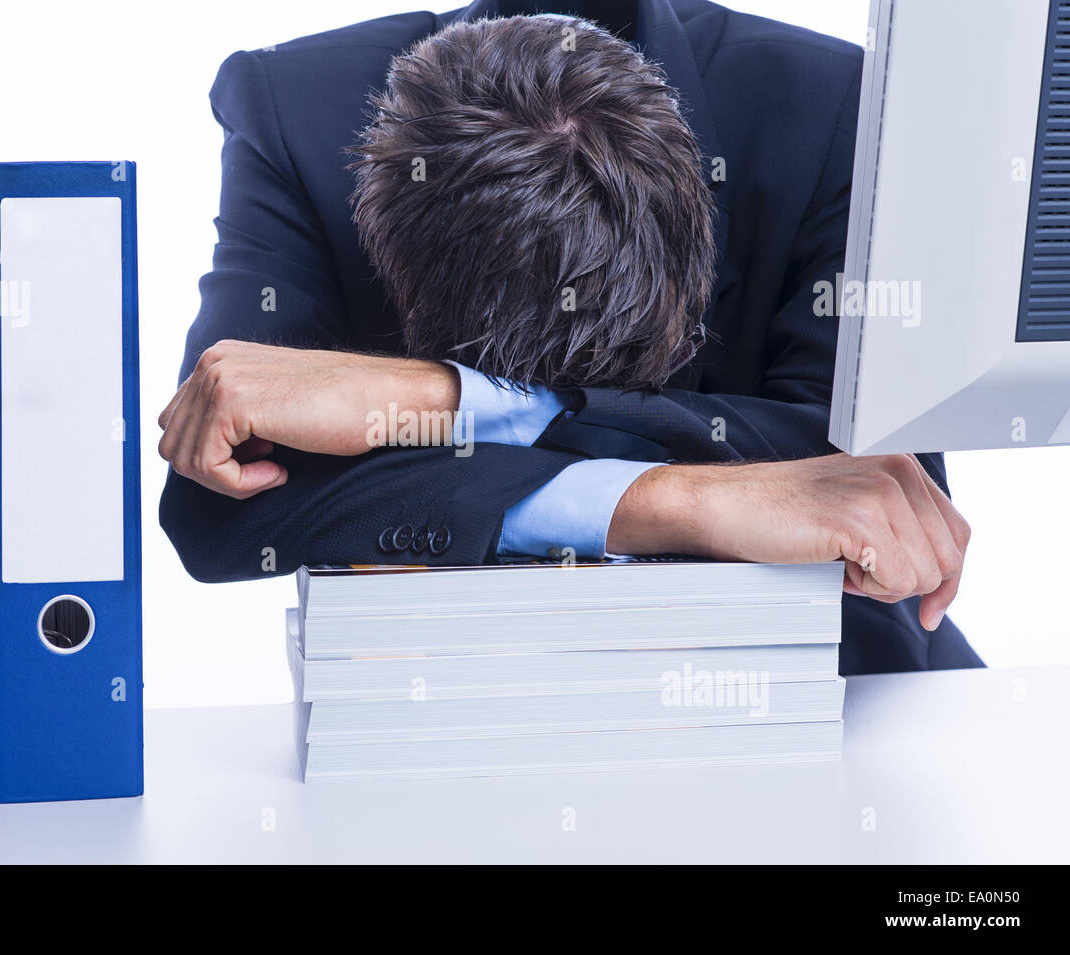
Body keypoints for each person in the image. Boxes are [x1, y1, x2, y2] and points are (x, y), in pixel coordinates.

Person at [157, 0, 982, 674]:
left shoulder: (835, 104)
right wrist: (668, 500)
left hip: (841, 721)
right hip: (438, 726)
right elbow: (224, 498)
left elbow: (888, 501)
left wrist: (438, 399)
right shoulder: (299, 107)